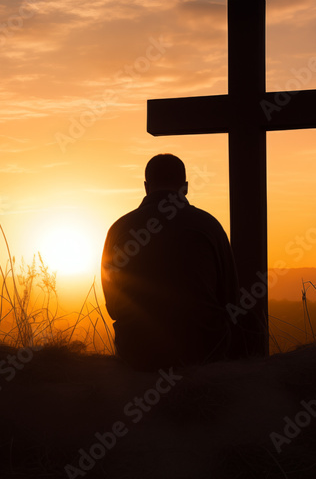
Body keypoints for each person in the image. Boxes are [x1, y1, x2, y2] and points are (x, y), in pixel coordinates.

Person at [101, 153, 242, 371]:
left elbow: (113, 305)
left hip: (138, 352)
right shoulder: (208, 226)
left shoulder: (119, 229)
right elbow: (231, 296)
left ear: (146, 187)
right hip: (202, 350)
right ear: (185, 187)